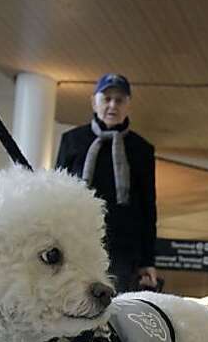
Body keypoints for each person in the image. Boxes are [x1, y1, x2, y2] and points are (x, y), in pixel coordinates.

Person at [55, 73, 157, 292]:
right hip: (77, 237)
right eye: (106, 98)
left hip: (122, 246)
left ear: (128, 105)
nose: (112, 105)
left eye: (119, 100)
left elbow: (148, 207)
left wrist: (148, 260)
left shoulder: (142, 149)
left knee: (114, 304)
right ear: (94, 102)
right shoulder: (72, 140)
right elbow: (56, 193)